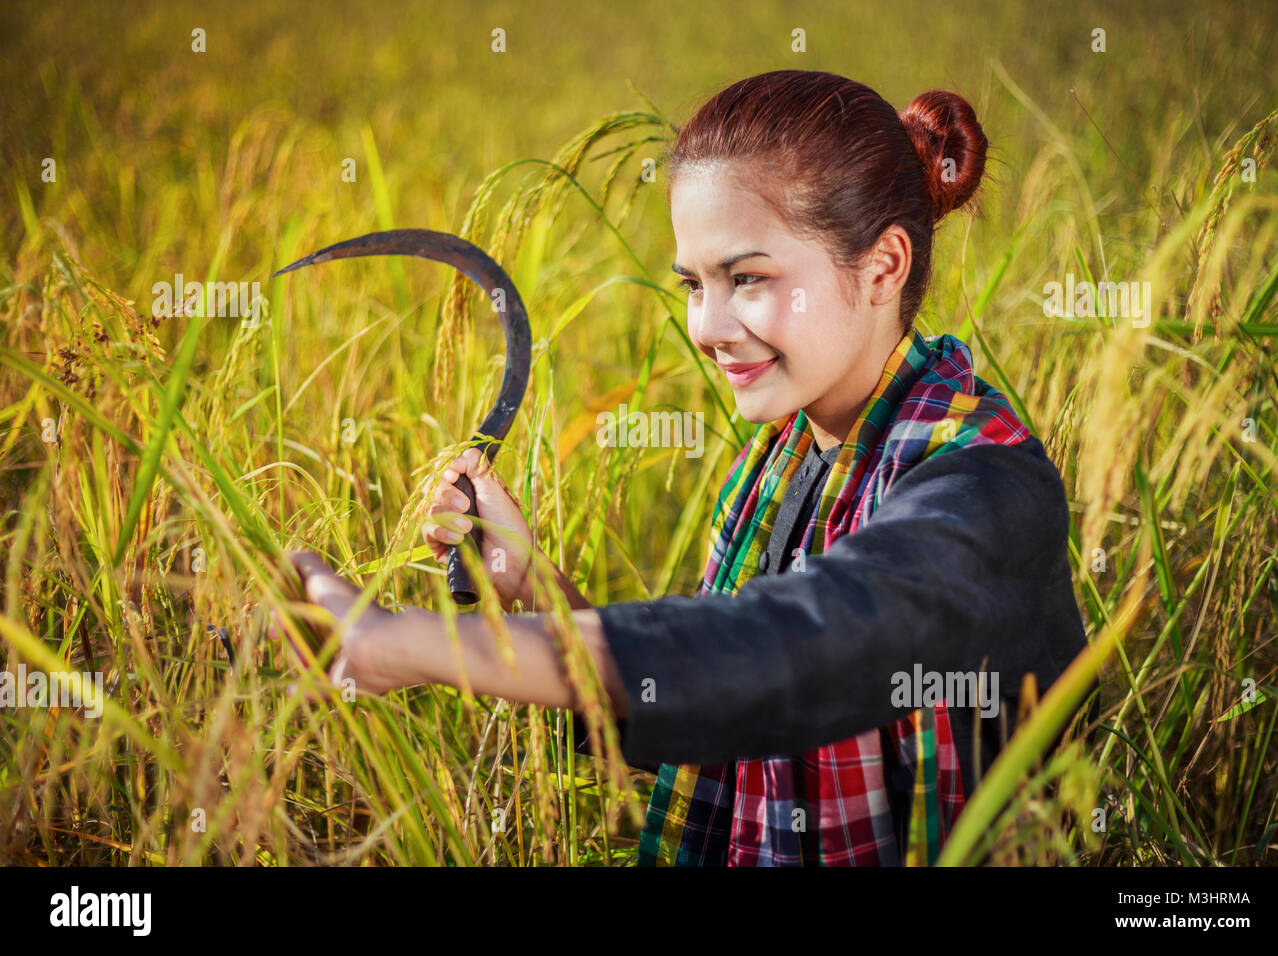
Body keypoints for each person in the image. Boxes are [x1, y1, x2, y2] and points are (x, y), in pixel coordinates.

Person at [280, 69, 1089, 867]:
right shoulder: (781, 462)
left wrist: (412, 645)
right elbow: (708, 701)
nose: (707, 326)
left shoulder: (985, 485)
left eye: (748, 279)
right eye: (694, 285)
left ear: (882, 268)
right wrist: (532, 585)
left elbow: (808, 647)